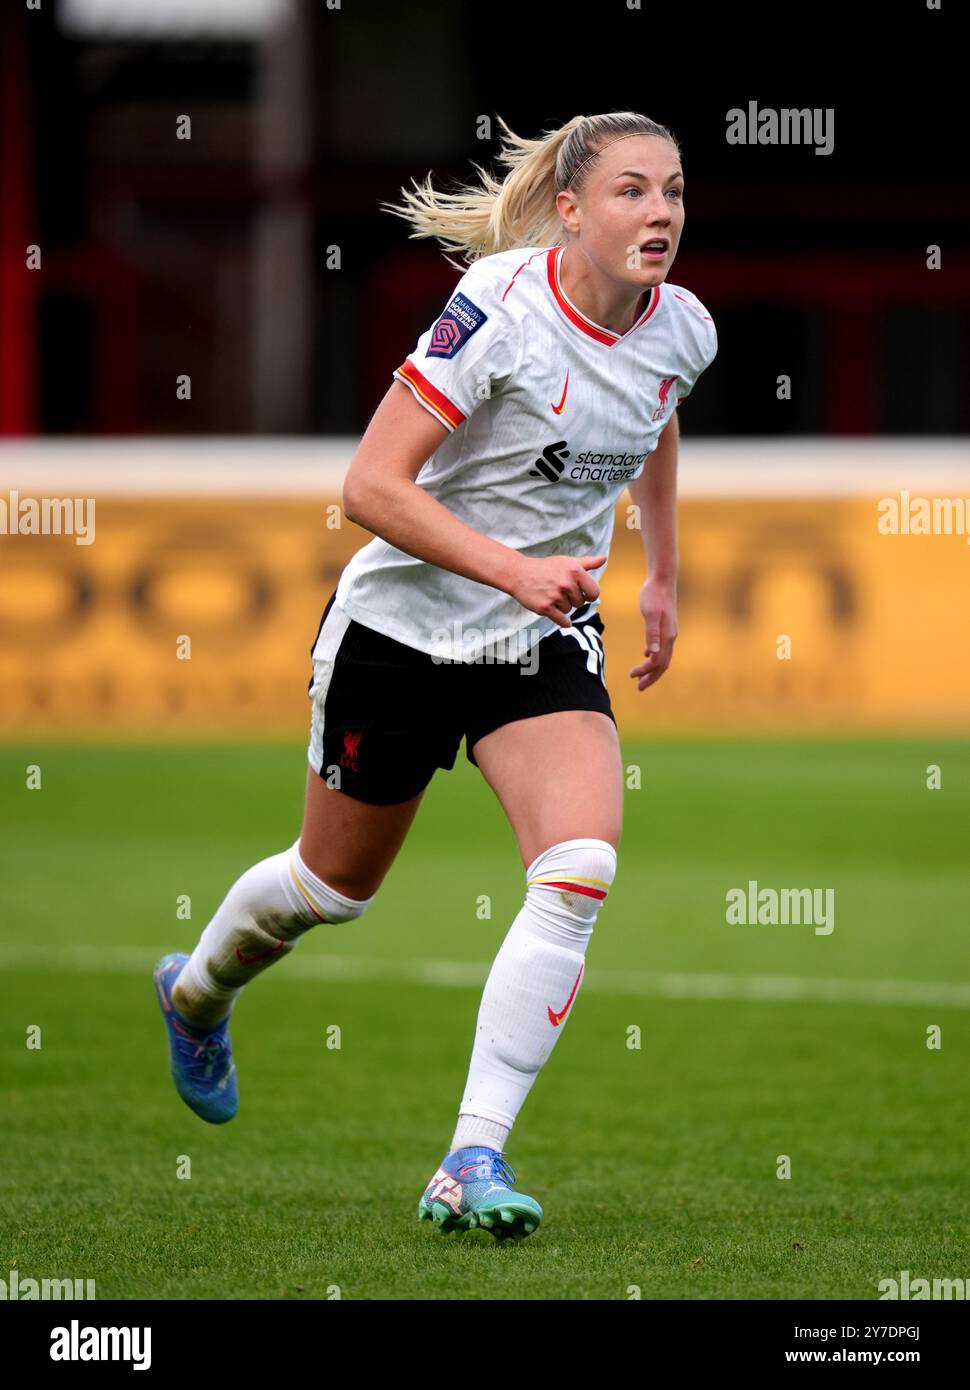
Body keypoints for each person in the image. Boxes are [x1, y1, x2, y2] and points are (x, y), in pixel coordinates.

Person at [154, 110, 717, 1244]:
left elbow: (655, 416)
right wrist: (515, 567)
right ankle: (194, 993)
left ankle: (472, 1154)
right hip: (401, 635)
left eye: (672, 191)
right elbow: (369, 485)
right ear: (570, 209)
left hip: (536, 644)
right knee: (330, 890)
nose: (658, 213)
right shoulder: (503, 308)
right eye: (629, 193)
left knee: (579, 867)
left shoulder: (685, 327)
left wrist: (658, 570)